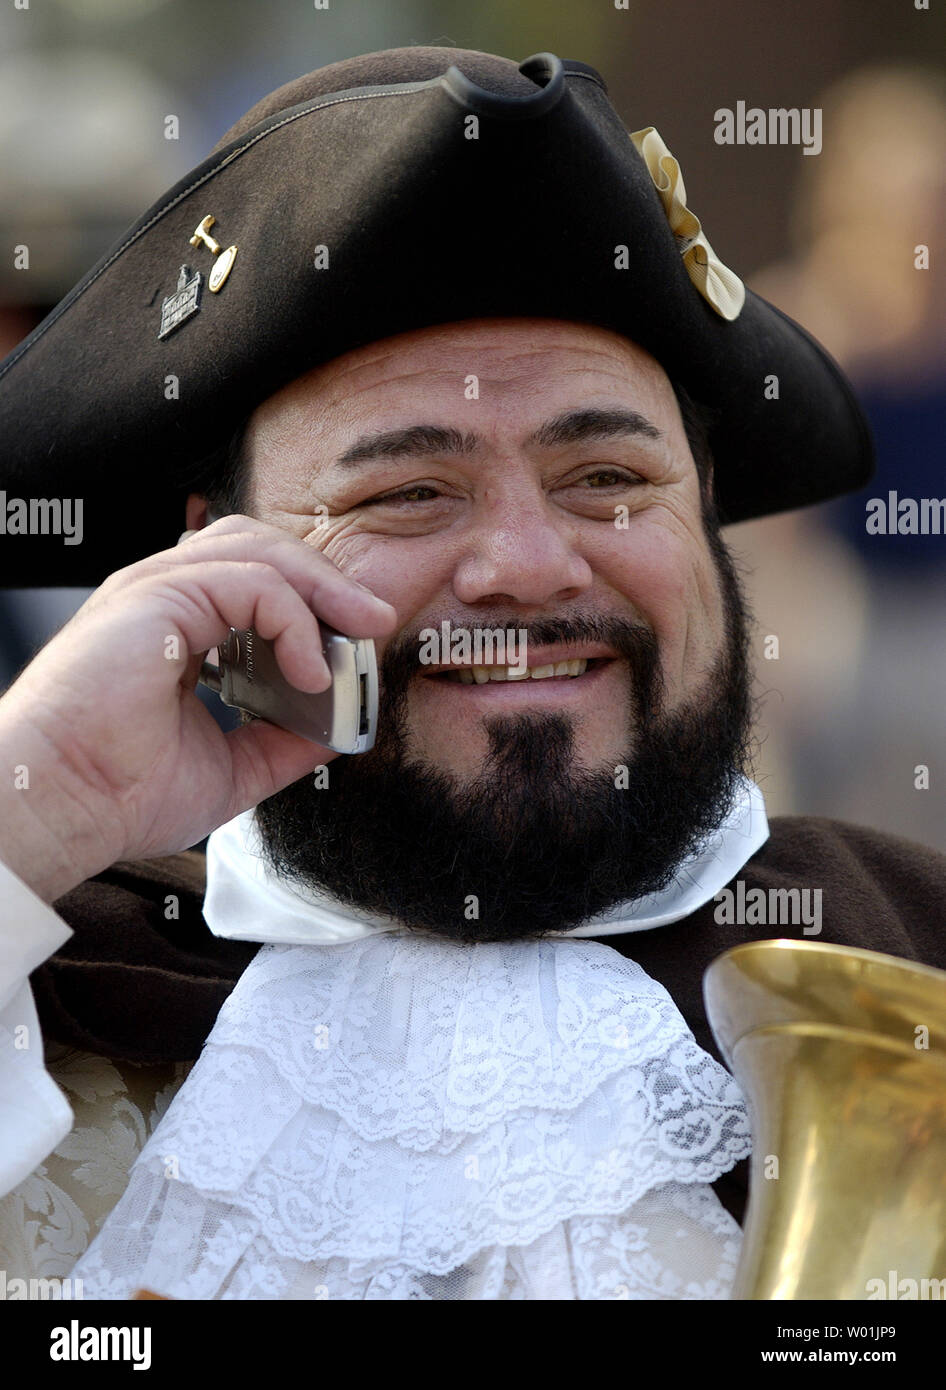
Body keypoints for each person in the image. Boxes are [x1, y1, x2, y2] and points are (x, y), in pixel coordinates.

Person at [1, 46, 944, 1301]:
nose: (525, 566)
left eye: (606, 478)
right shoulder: (53, 986)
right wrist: (37, 796)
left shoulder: (913, 962)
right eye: (407, 492)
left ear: (706, 523)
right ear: (211, 565)